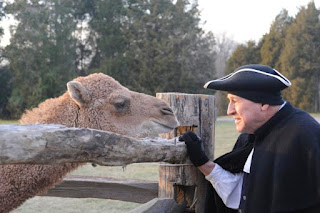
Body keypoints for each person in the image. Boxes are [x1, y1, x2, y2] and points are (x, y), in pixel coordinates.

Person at [179, 64, 320, 213]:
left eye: (235, 101)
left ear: (263, 103)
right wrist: (203, 163)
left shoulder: (305, 136)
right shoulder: (250, 137)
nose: (229, 110)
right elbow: (244, 195)